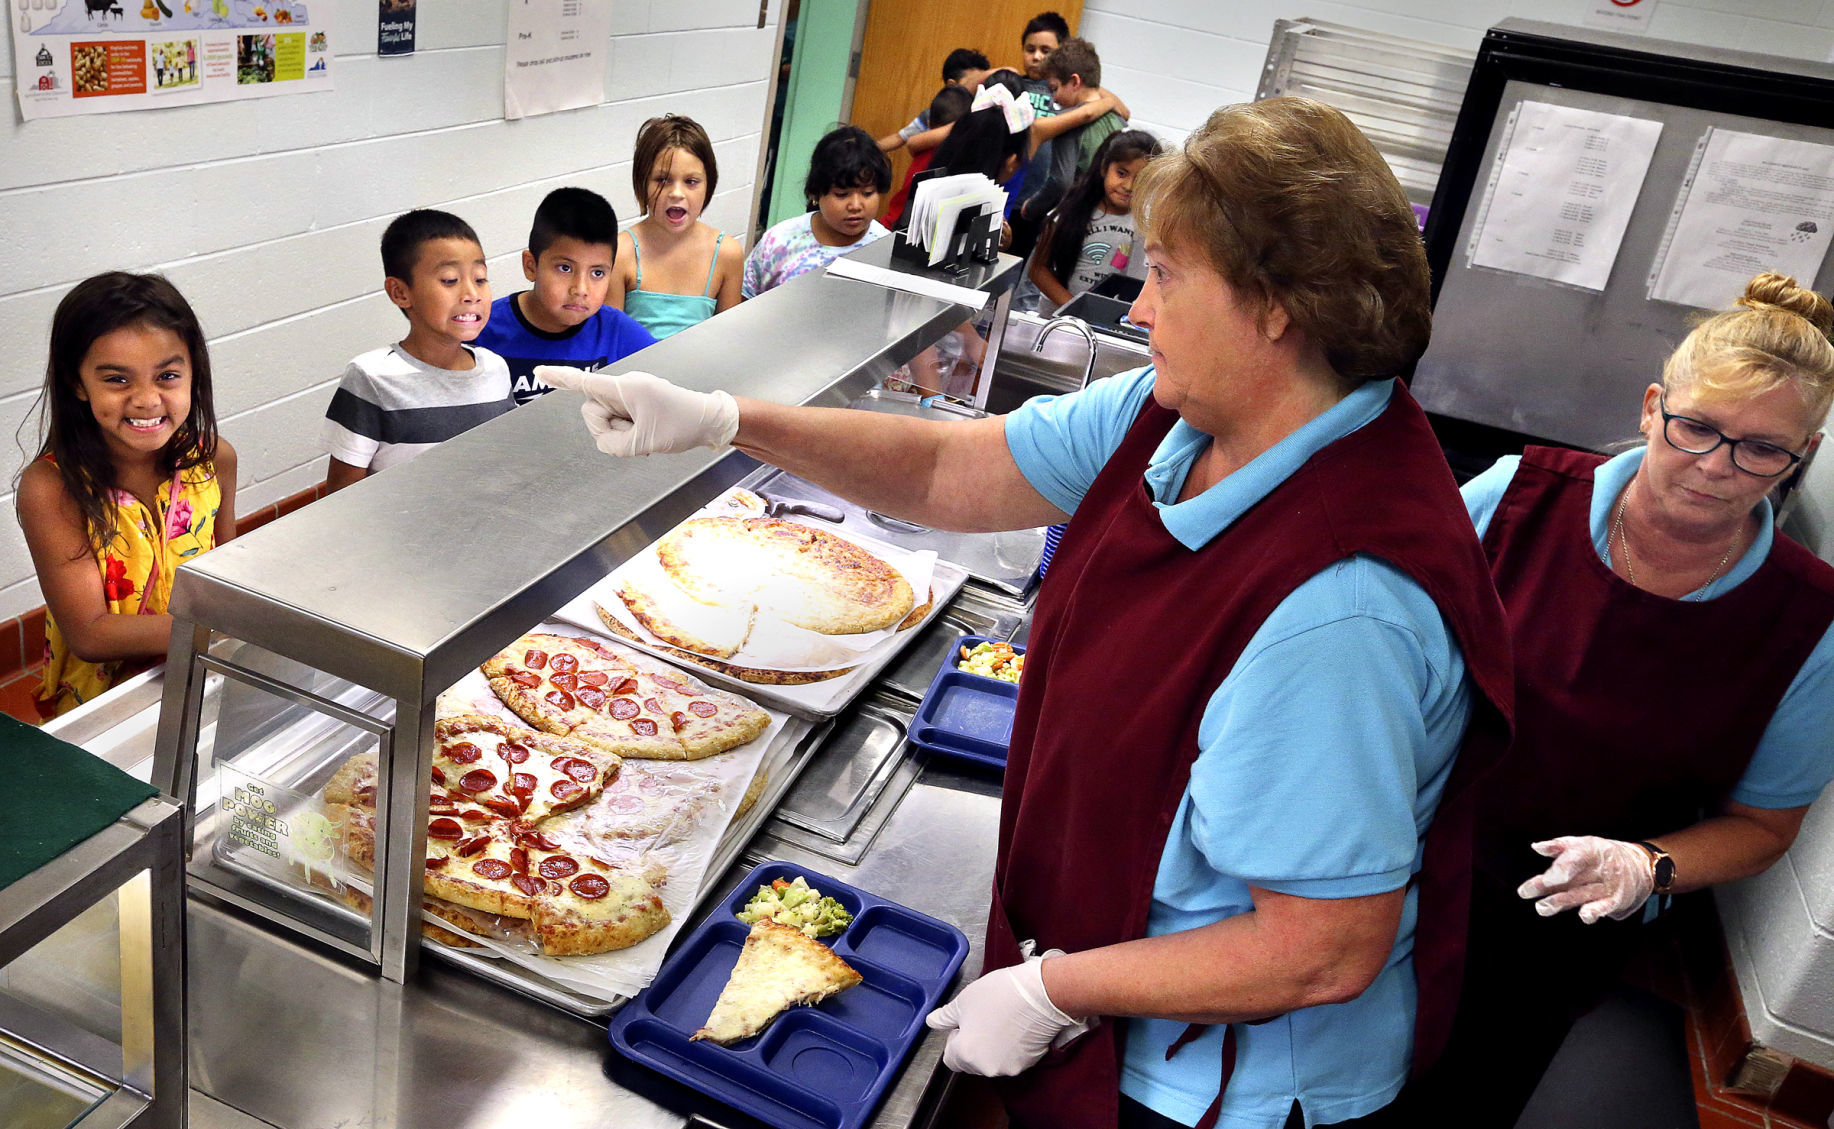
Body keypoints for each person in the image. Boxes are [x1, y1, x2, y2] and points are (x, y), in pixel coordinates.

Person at [537, 97, 1514, 1129]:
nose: (1137, 309)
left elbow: (1321, 947)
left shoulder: (1340, 605)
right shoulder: (1189, 418)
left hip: (1214, 1086)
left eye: (1170, 277)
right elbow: (956, 470)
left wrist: (1057, 989)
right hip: (1108, 946)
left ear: (1276, 307)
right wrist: (727, 421)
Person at [1400, 272, 1834, 1128]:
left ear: (1801, 457)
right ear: (1650, 406)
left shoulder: (1808, 623)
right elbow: (1376, 648)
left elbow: (1762, 827)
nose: (1716, 467)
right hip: (1397, 864)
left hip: (1555, 932)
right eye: (1697, 427)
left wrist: (1647, 864)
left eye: (1760, 450)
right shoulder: (1516, 498)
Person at [16, 272, 238, 719]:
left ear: (194, 374)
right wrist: (233, 627)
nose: (146, 399)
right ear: (77, 383)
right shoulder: (52, 488)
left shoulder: (214, 459)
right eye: (118, 379)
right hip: (102, 709)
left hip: (204, 680)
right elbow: (91, 634)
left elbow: (228, 578)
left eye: (168, 375)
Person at [321, 209, 515, 490]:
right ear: (400, 293)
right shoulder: (372, 378)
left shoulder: (495, 368)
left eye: (480, 278)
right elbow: (341, 495)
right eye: (450, 280)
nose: (472, 294)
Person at [477, 187, 658, 403]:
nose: (581, 289)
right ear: (531, 266)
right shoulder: (482, 331)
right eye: (565, 268)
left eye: (597, 273)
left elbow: (670, 384)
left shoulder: (615, 331)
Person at [611, 117, 743, 340]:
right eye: (662, 180)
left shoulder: (726, 253)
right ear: (641, 183)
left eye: (691, 181)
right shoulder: (621, 252)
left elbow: (727, 341)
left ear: (708, 185)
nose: (677, 193)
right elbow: (610, 343)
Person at [743, 126, 892, 299]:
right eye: (842, 195)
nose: (856, 205)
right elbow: (743, 300)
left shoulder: (886, 249)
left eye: (867, 193)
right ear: (816, 192)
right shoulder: (781, 241)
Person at [1028, 129, 1162, 314]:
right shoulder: (1069, 213)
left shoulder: (1148, 226)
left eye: (1141, 180)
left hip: (1108, 325)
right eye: (1122, 173)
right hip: (1059, 323)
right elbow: (1037, 271)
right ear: (1104, 168)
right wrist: (1079, 309)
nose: (1129, 186)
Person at [882, 84, 972, 229]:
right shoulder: (959, 160)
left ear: (929, 125)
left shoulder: (922, 149)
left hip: (893, 224)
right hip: (904, 229)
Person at [876, 48, 992, 155]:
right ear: (952, 85)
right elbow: (899, 138)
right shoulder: (933, 114)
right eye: (973, 84)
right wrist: (864, 150)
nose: (978, 90)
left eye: (981, 83)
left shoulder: (987, 115)